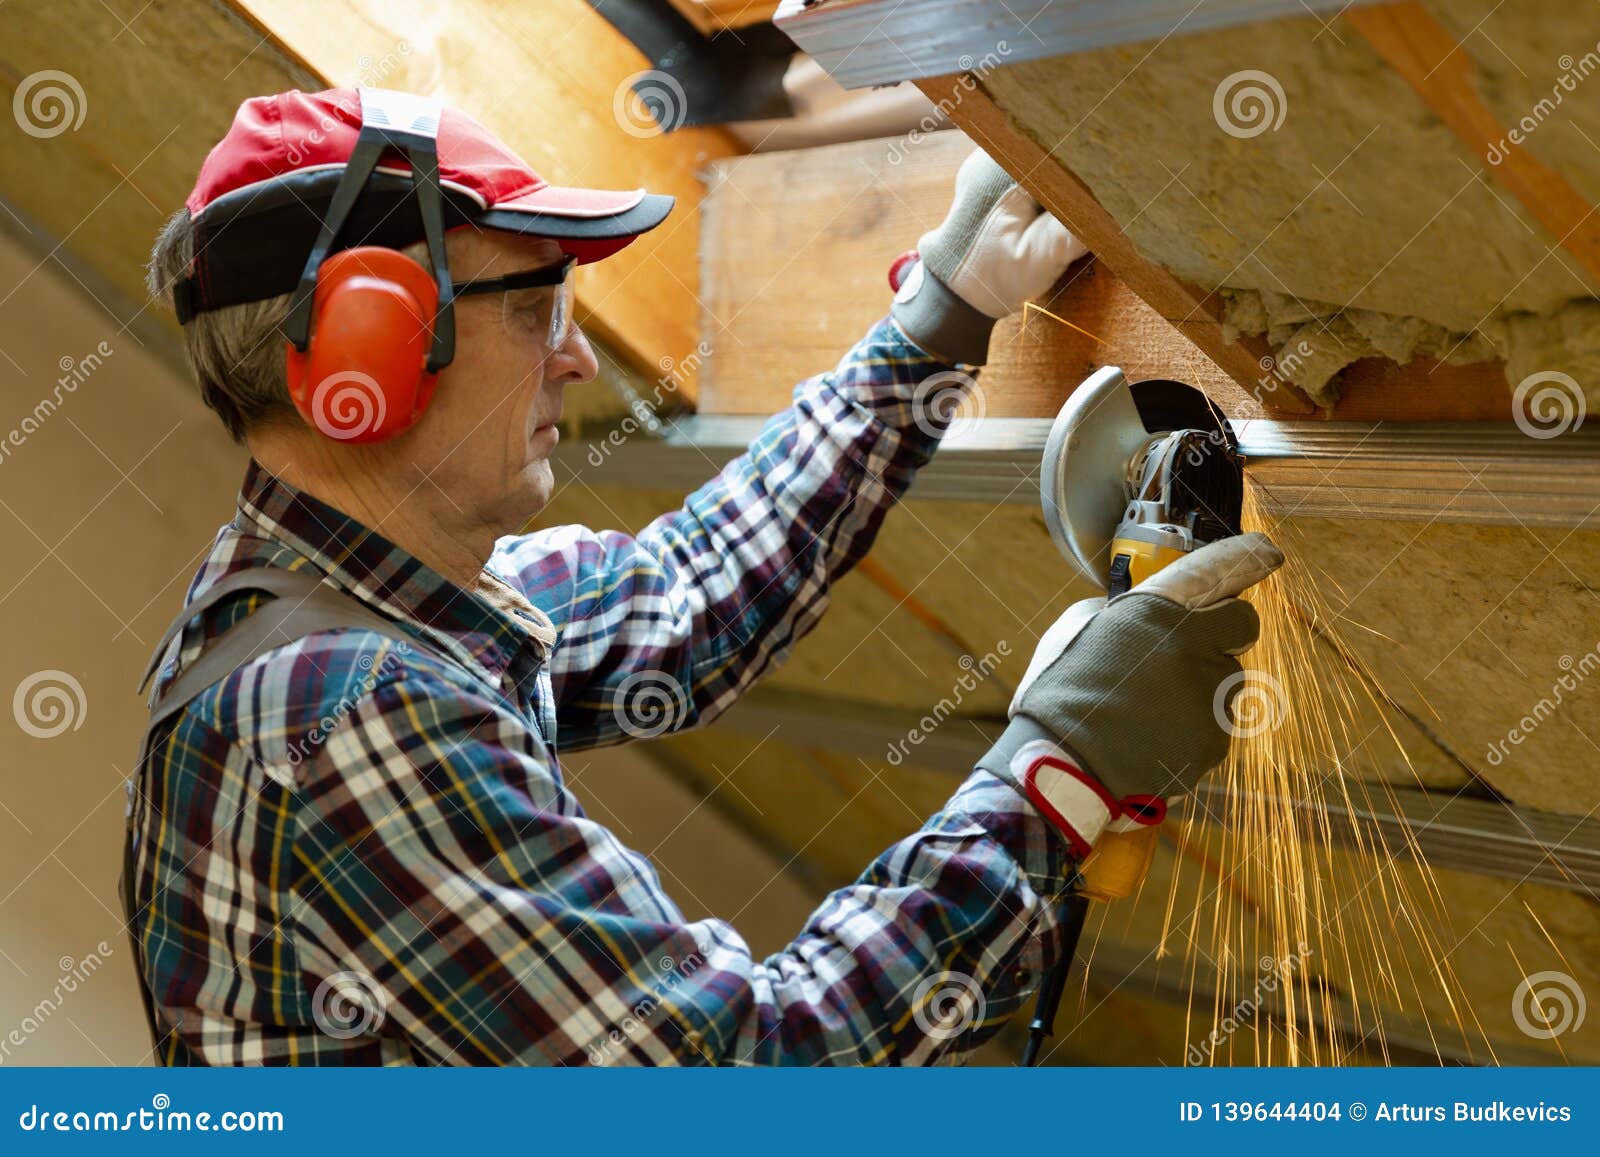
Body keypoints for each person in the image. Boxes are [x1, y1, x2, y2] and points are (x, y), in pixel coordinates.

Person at [127, 87, 1281, 1066]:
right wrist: (1059, 773)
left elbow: (686, 602)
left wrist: (935, 321)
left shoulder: (373, 602)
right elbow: (752, 1069)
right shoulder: (341, 709)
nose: (577, 353)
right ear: (366, 348)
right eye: (534, 306)